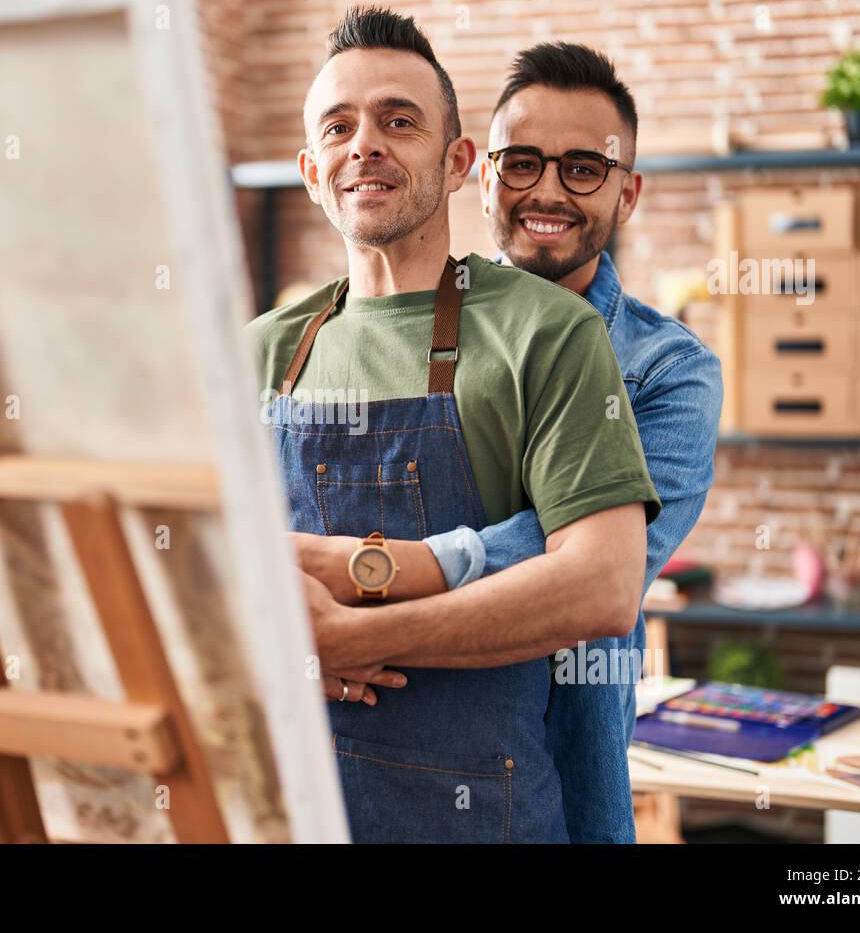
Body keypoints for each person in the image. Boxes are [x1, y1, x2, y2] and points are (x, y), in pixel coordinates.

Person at [290, 42, 723, 842]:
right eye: (521, 163)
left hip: (563, 751)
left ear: (627, 195)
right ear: (481, 175)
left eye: (583, 170)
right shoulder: (342, 333)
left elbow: (599, 567)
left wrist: (376, 570)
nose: (547, 192)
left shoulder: (670, 371)